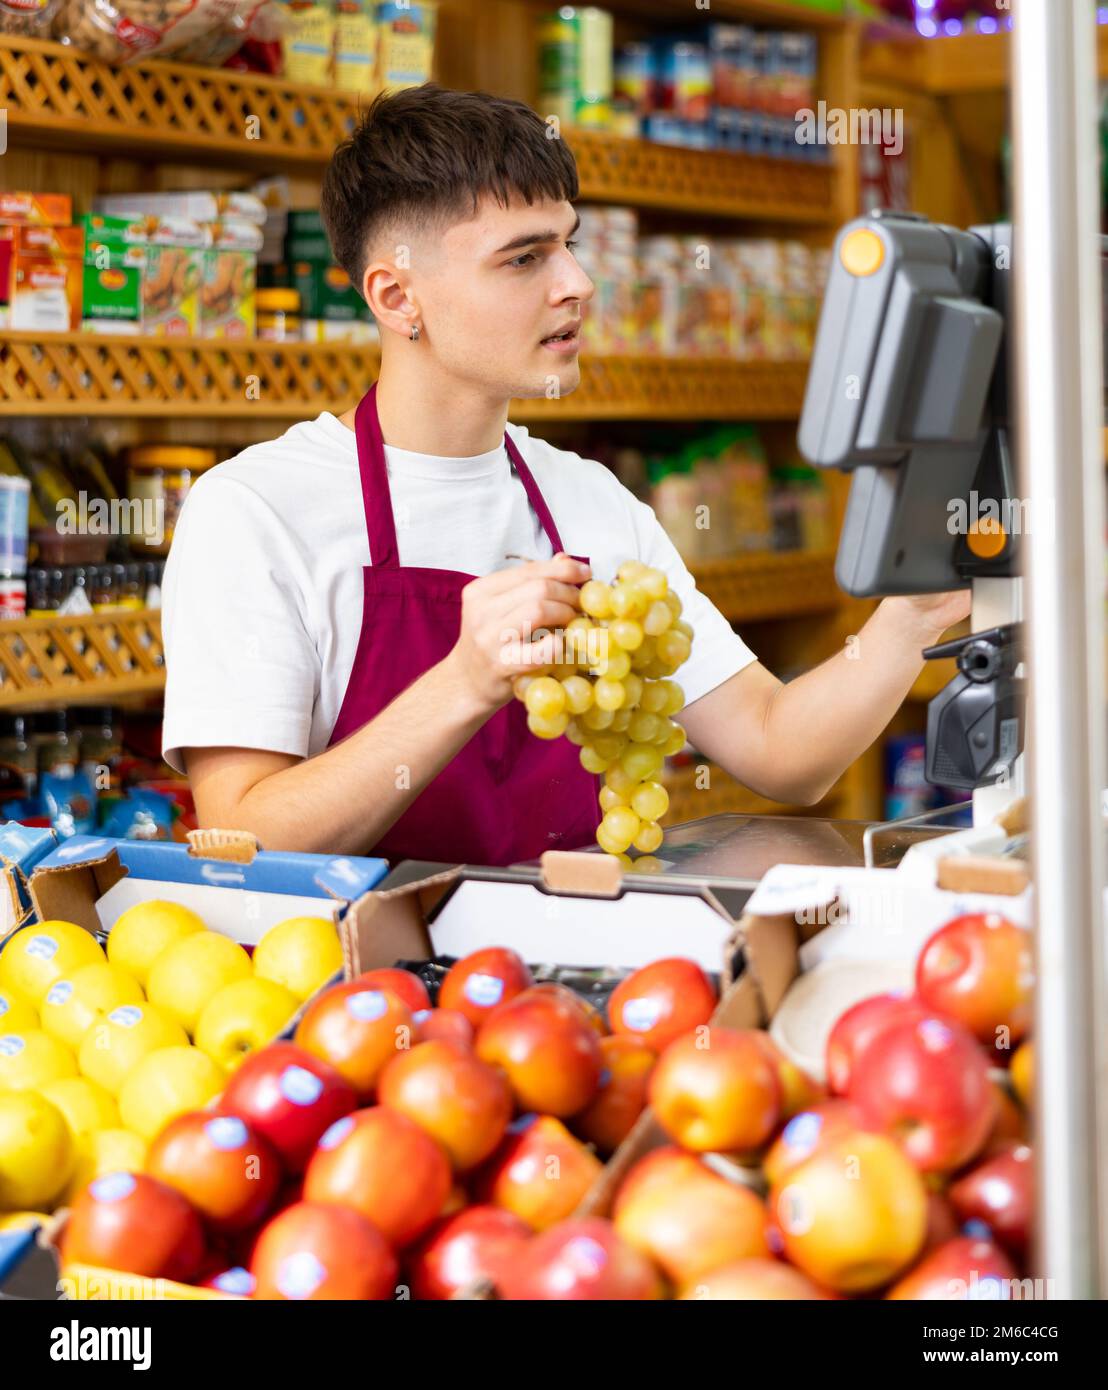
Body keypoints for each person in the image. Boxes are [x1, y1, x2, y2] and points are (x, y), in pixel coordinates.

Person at [161, 83, 970, 864]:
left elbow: (779, 749)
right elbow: (241, 838)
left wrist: (911, 617)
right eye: (524, 259)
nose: (577, 284)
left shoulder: (591, 501)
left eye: (569, 245)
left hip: (559, 956)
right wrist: (465, 682)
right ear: (398, 297)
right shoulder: (256, 511)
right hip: (350, 958)